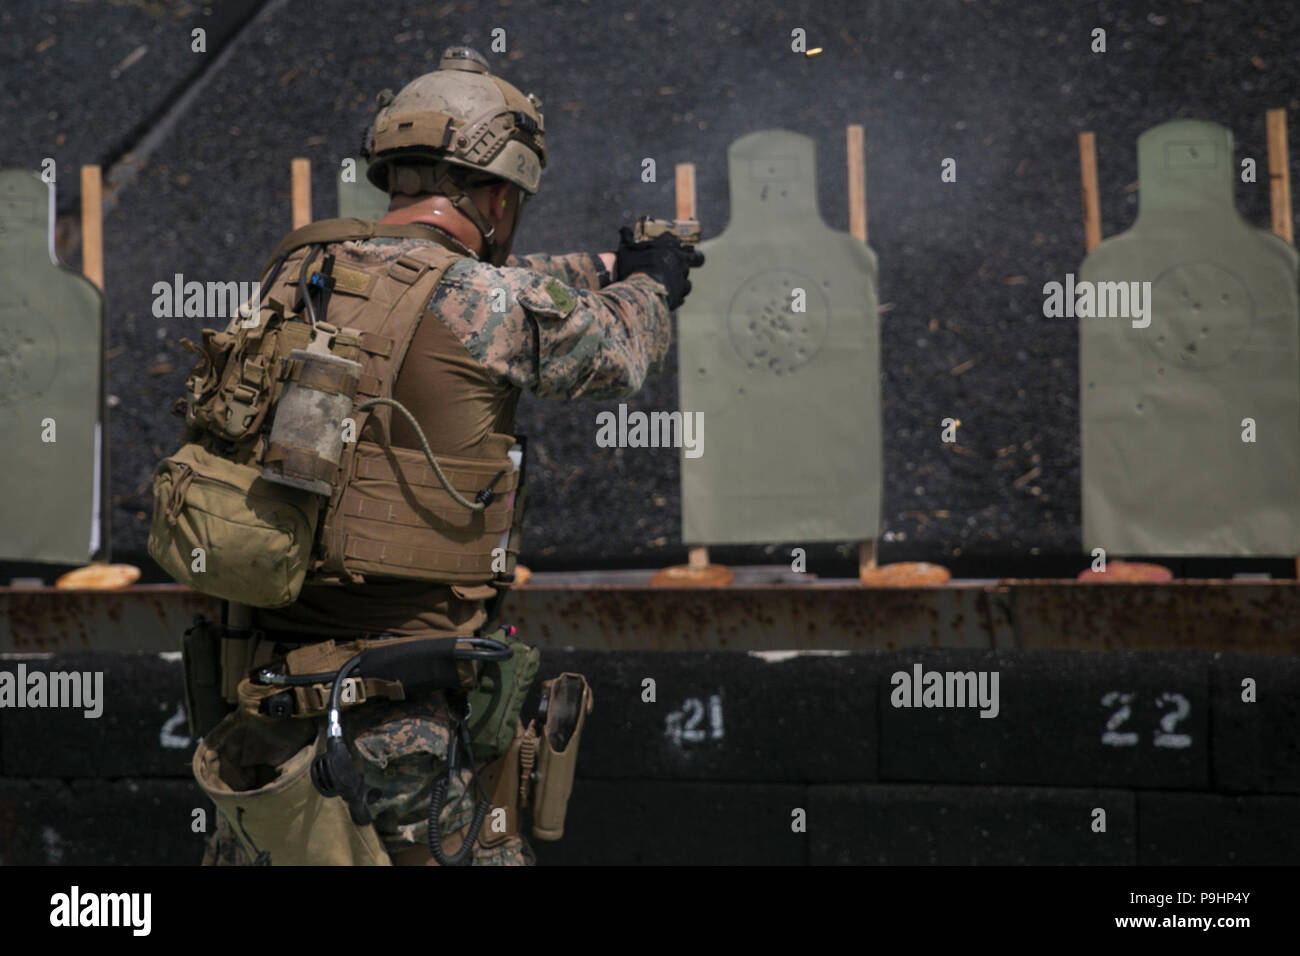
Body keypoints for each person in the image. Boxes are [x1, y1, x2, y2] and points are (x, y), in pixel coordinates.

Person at [198, 46, 703, 866]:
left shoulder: (300, 272)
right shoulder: (482, 300)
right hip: (395, 721)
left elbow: (467, 285)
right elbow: (614, 351)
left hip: (265, 711)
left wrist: (609, 264)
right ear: (499, 194)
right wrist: (653, 282)